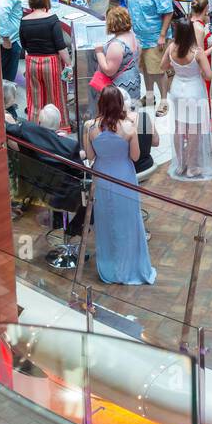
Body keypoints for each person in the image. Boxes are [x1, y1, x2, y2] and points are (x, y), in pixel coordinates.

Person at [82, 86, 156, 285]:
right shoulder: (129, 128)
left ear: (101, 103)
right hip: (124, 176)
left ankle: (109, 266)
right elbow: (135, 157)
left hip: (102, 177)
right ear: (120, 104)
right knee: (128, 221)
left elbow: (89, 157)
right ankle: (130, 264)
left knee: (106, 222)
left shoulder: (90, 126)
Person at [162, 15, 212, 181]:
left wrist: (176, 68)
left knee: (179, 128)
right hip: (194, 91)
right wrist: (199, 71)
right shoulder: (197, 52)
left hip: (177, 91)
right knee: (194, 130)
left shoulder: (171, 47)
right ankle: (193, 166)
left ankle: (180, 164)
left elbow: (163, 66)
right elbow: (209, 76)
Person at [123, 0, 175, 110]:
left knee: (158, 71)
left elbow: (168, 12)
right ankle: (150, 97)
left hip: (154, 38)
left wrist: (162, 35)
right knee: (145, 69)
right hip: (139, 38)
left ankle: (164, 101)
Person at [20, 0, 70, 123]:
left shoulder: (24, 21)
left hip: (32, 62)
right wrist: (69, 64)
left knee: (35, 99)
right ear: (46, 1)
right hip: (51, 62)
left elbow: (23, 44)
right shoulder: (52, 19)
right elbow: (61, 46)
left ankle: (35, 127)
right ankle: (59, 127)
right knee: (55, 98)